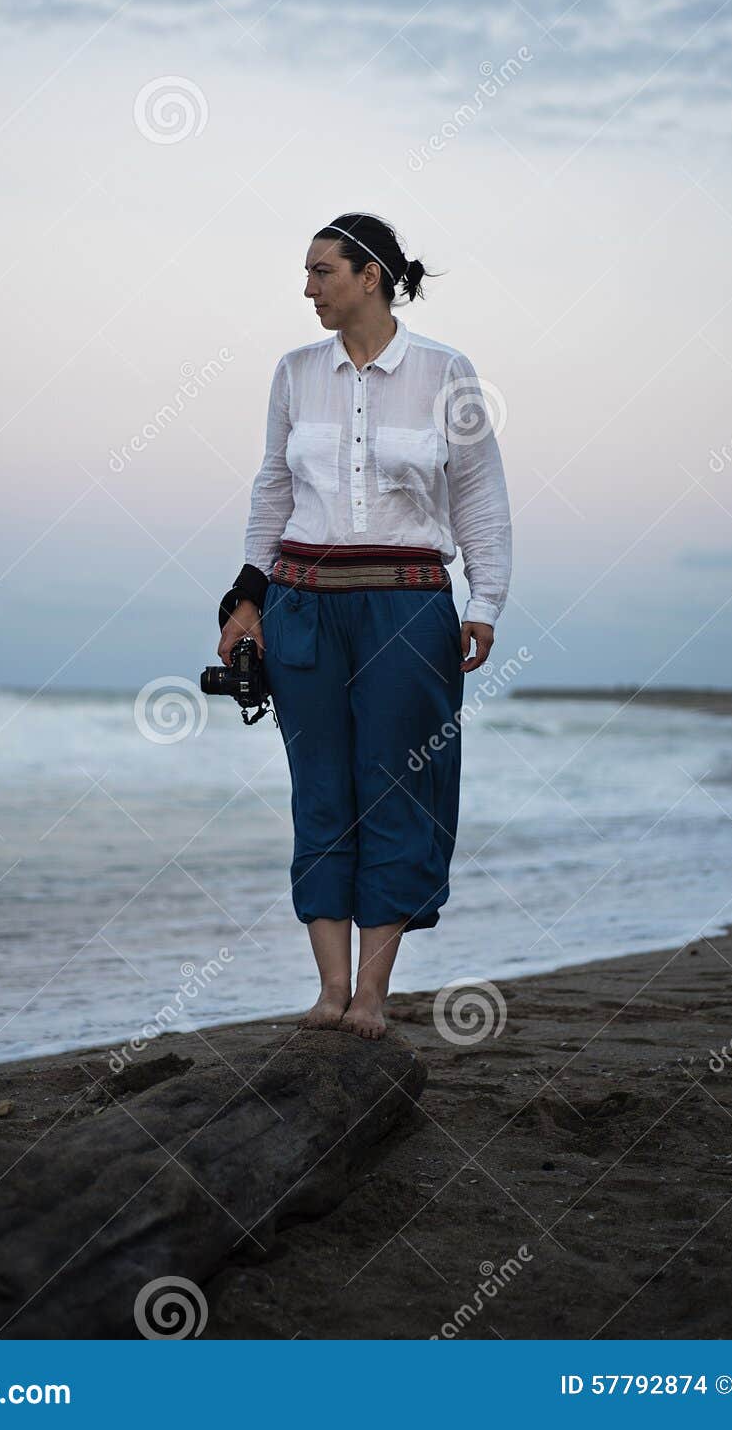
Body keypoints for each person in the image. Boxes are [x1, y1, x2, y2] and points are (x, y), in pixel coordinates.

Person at [217, 212, 512, 1040]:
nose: (307, 288)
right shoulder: (293, 371)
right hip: (300, 598)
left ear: (370, 276)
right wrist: (245, 601)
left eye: (321, 272)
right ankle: (328, 992)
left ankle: (373, 997)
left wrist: (483, 603)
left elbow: (481, 498)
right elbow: (272, 490)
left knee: (397, 789)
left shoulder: (447, 374)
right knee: (320, 792)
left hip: (408, 601)